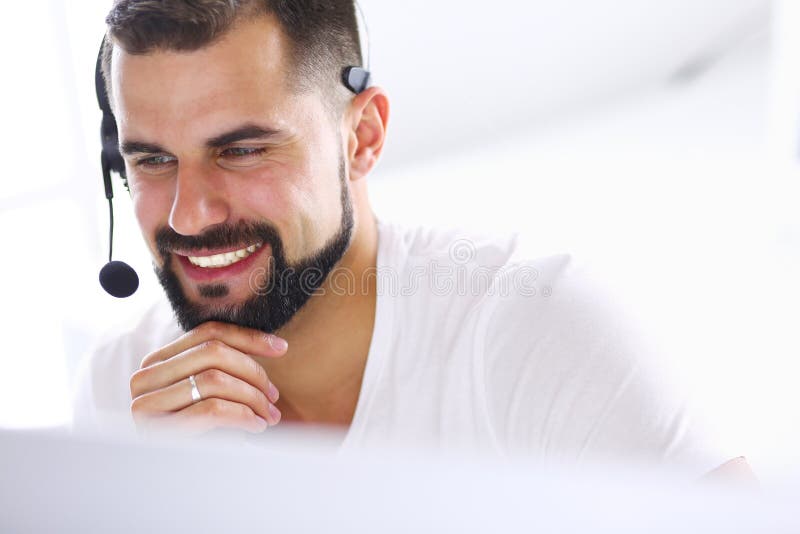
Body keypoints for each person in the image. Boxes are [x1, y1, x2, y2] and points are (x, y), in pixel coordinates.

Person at [73, 0, 750, 479]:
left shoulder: (540, 336)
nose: (188, 217)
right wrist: (164, 498)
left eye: (243, 150)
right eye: (152, 161)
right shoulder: (119, 394)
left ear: (361, 138)